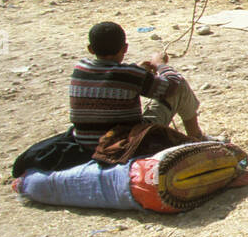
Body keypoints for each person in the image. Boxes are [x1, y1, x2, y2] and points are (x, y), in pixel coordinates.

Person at [70, 21, 207, 150]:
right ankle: (197, 138)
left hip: (85, 142)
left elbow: (110, 76)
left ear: (90, 49)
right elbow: (172, 85)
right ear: (125, 48)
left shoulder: (79, 68)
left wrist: (138, 70)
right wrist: (160, 64)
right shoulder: (131, 75)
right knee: (180, 86)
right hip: (125, 143)